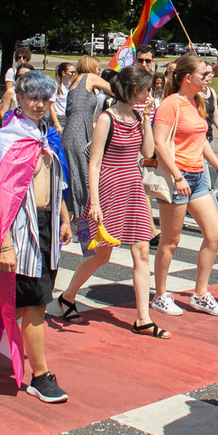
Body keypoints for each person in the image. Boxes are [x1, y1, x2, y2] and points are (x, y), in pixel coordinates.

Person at [0, 70, 74, 403]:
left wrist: (64, 217)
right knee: (35, 303)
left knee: (20, 300)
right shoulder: (9, 137)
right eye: (33, 98)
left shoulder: (45, 134)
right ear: (20, 99)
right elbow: (2, 195)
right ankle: (40, 376)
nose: (39, 104)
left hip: (47, 223)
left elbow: (55, 181)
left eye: (45, 99)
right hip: (21, 228)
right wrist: (6, 243)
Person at [57, 66, 167, 337]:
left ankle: (143, 319)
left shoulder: (137, 116)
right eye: (145, 89)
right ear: (133, 90)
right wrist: (94, 202)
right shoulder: (107, 118)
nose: (148, 94)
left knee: (142, 251)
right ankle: (68, 296)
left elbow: (148, 152)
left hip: (133, 188)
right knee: (101, 254)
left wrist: (146, 119)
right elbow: (94, 164)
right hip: (108, 189)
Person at [151, 54, 218, 317]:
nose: (209, 78)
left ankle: (200, 294)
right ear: (188, 77)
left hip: (198, 177)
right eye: (204, 74)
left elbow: (200, 142)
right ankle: (160, 295)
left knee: (214, 234)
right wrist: (177, 176)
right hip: (177, 178)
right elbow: (159, 142)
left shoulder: (198, 101)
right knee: (170, 240)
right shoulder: (170, 104)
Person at [61, 55, 112, 219]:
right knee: (83, 178)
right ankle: (82, 219)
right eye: (98, 67)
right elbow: (113, 89)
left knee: (76, 178)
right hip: (78, 132)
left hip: (73, 131)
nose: (99, 70)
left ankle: (73, 219)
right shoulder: (89, 77)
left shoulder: (75, 82)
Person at [48, 61, 75, 133]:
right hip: (59, 118)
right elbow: (51, 106)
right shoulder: (55, 86)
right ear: (63, 73)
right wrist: (57, 124)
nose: (73, 75)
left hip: (68, 118)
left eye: (74, 72)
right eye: (71, 72)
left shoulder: (70, 86)